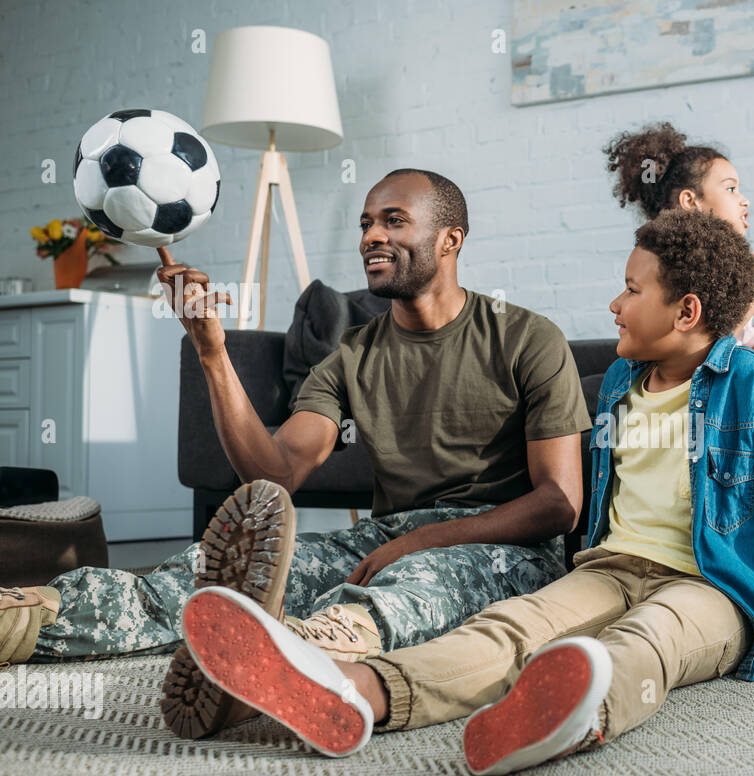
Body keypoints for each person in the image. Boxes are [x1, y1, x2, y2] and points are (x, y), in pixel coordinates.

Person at [175, 209, 754, 774]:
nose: (613, 303)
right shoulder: (623, 381)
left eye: (632, 289)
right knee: (512, 624)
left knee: (648, 644)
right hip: (609, 564)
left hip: (717, 587)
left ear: (688, 309)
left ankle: (568, 716)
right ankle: (356, 692)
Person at [0, 169, 592, 744]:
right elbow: (274, 475)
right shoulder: (352, 355)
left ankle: (297, 656)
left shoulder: (526, 338)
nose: (371, 237)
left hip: (504, 548)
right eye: (366, 223)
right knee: (207, 573)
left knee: (400, 592)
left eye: (394, 221)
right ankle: (35, 618)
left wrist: (416, 542)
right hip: (386, 537)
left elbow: (559, 505)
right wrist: (212, 350)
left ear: (450, 240)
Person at [603, 122, 754, 356]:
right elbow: (697, 362)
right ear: (690, 201)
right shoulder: (667, 269)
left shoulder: (730, 271)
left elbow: (744, 370)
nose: (744, 200)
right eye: (730, 189)